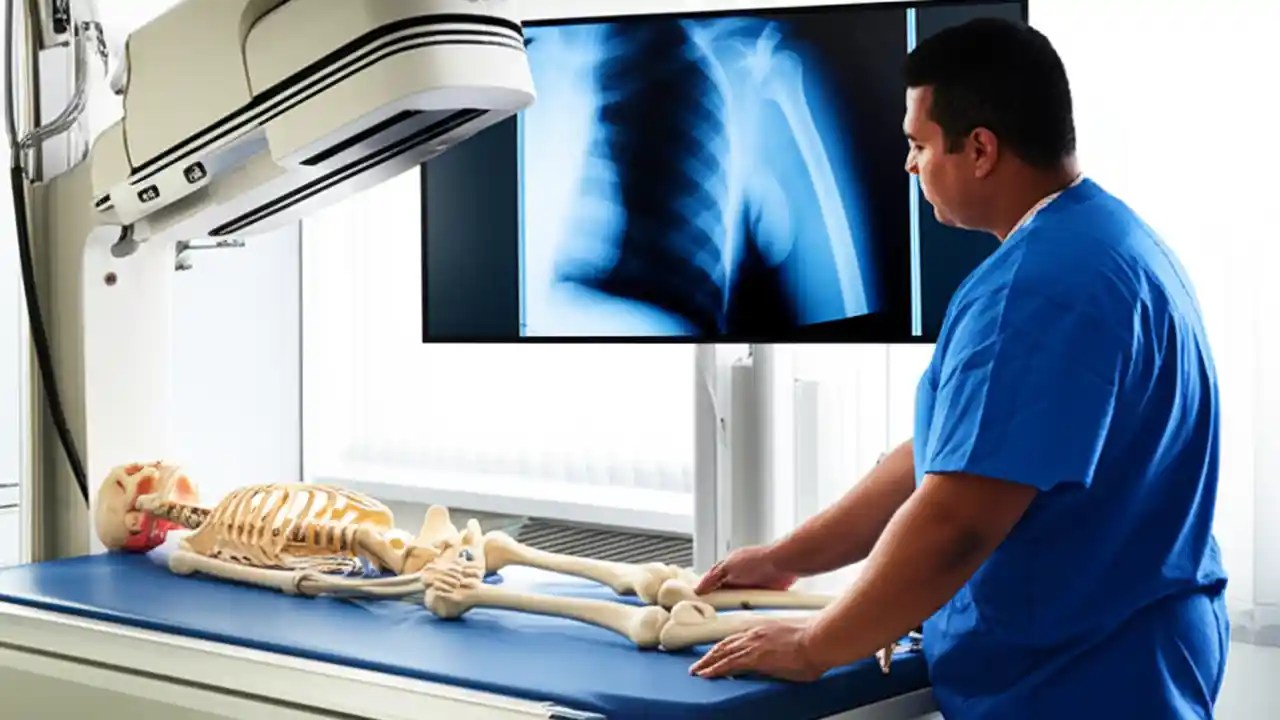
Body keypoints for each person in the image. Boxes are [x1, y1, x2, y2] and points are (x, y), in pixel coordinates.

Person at [689, 17, 1230, 719]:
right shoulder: (1114, 242)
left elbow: (956, 522)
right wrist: (788, 557)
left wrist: (815, 645)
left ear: (979, 149)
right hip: (1141, 653)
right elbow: (949, 454)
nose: (910, 167)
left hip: (1078, 680)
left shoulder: (1034, 288)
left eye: (918, 145)